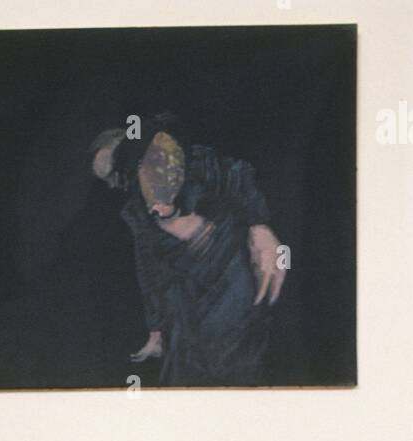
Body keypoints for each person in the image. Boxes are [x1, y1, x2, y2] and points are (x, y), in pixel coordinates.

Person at [90, 114, 288, 386]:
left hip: (228, 276)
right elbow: (150, 270)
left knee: (233, 364)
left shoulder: (195, 163)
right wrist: (156, 330)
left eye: (115, 170)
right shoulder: (135, 212)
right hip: (184, 299)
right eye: (109, 178)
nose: (115, 182)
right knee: (184, 372)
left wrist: (261, 228)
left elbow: (238, 176)